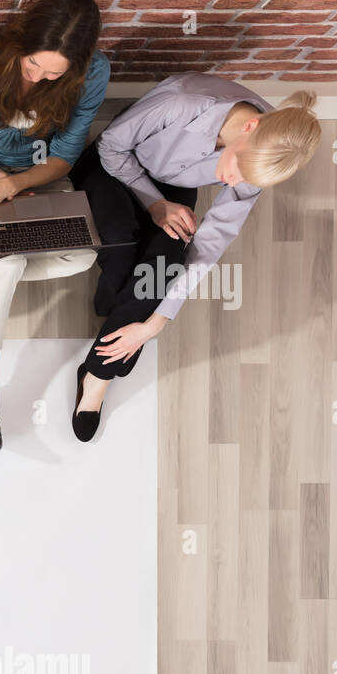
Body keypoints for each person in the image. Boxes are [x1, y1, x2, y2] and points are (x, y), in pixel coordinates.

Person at [68, 76, 320, 441]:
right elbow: (111, 146)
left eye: (246, 180)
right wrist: (155, 205)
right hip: (113, 168)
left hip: (173, 188)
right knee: (123, 244)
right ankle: (111, 334)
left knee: (167, 264)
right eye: (237, 168)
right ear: (250, 126)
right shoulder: (184, 104)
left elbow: (209, 245)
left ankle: (97, 375)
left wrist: (155, 323)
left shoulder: (257, 157)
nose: (233, 183)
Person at [0, 0, 108, 451]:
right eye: (33, 65)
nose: (38, 79)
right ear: (22, 42)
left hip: (38, 174)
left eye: (53, 74)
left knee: (79, 257)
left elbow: (65, 156)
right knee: (11, 261)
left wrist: (17, 186)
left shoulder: (94, 73)